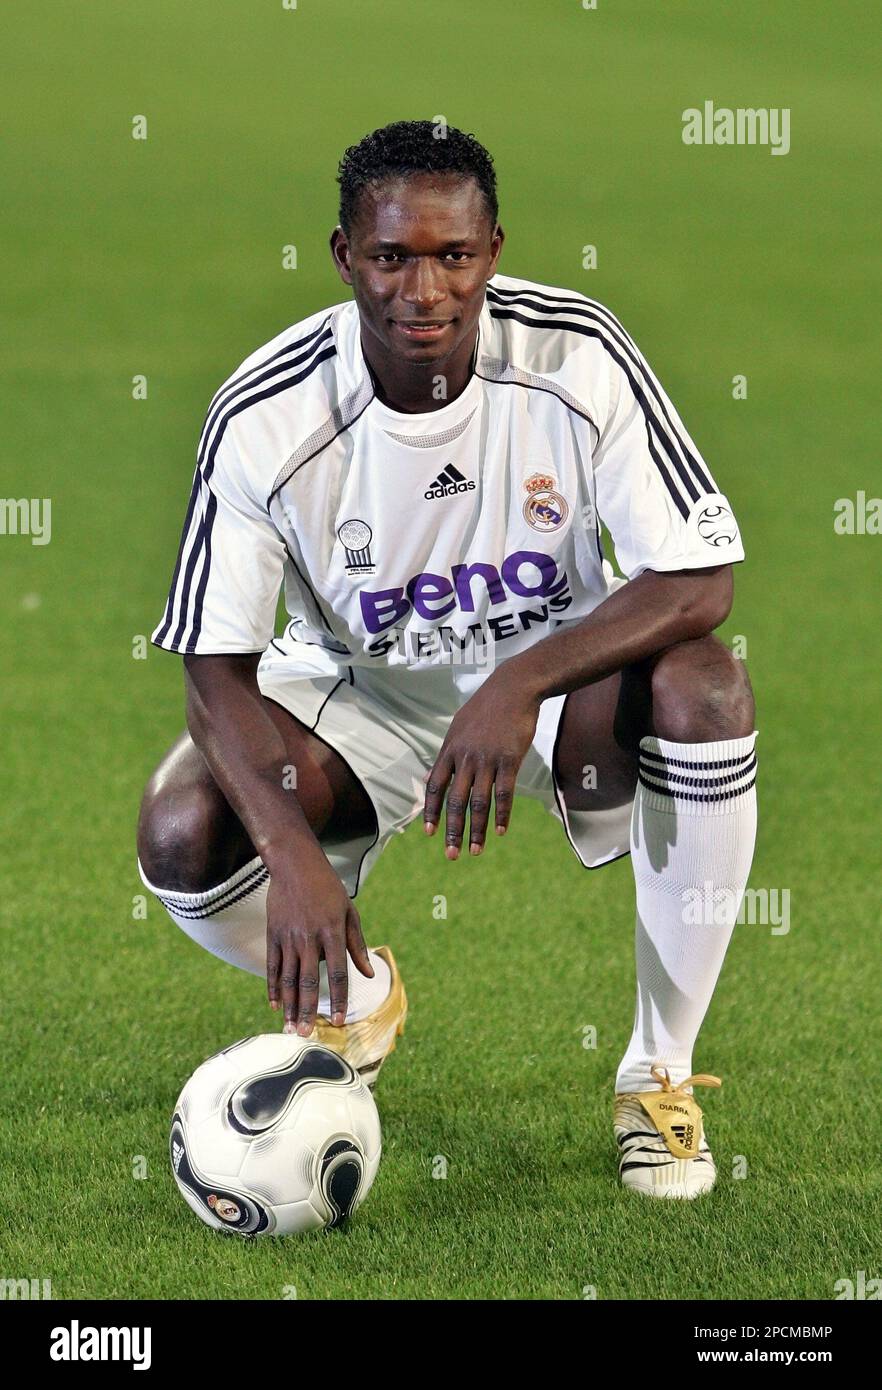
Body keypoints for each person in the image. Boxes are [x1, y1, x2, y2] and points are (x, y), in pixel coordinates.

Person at [138, 120, 757, 1199]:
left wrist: (520, 681)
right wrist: (291, 853)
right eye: (391, 258)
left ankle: (658, 1075)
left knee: (707, 684)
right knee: (184, 831)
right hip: (357, 691)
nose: (423, 290)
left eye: (453, 256)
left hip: (562, 682)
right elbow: (213, 672)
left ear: (495, 251)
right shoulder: (265, 411)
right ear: (344, 256)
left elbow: (700, 578)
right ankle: (358, 991)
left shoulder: (580, 355)